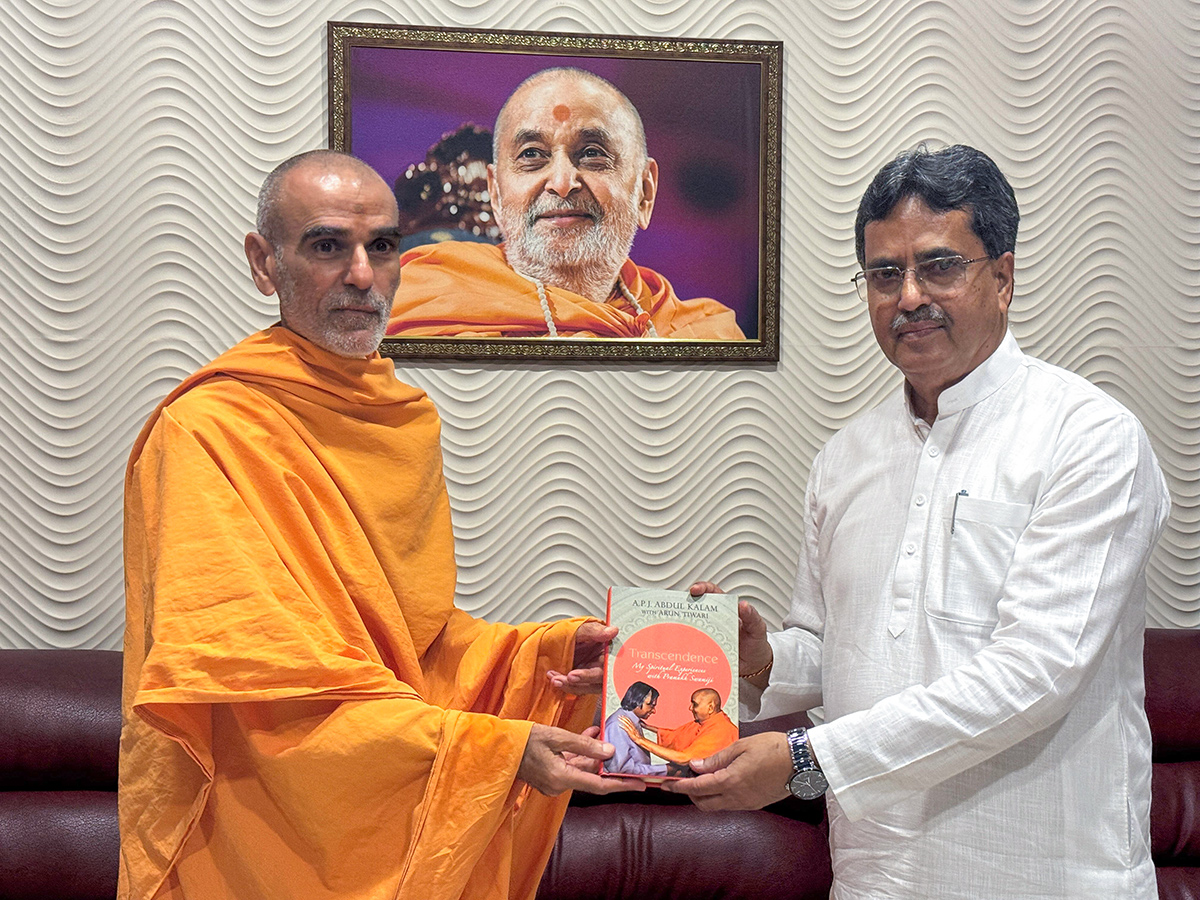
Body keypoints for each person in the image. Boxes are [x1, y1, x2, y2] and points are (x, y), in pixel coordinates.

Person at [119, 149, 640, 900]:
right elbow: (276, 684)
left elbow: (418, 645)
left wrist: (551, 651)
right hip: (249, 826)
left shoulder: (403, 420)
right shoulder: (207, 430)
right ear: (264, 264)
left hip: (375, 796)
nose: (362, 276)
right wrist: (494, 748)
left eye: (383, 247)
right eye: (328, 246)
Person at [669, 144, 1171, 899]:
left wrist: (810, 761)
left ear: (1001, 276)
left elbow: (1035, 676)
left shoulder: (1089, 439)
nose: (908, 297)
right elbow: (835, 649)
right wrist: (763, 660)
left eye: (939, 266)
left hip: (1049, 873)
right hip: (878, 875)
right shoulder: (845, 458)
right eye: (884, 273)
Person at [386, 67, 745, 339]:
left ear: (645, 192)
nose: (561, 183)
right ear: (495, 193)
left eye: (591, 154)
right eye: (532, 154)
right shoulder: (417, 306)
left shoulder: (703, 331)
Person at [617, 687, 738, 769]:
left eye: (694, 704)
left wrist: (640, 740)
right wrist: (648, 727)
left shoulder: (721, 730)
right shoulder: (706, 721)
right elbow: (676, 736)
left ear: (710, 708)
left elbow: (685, 758)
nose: (690, 708)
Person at [602, 681, 669, 776]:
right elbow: (620, 770)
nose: (654, 711)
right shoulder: (619, 725)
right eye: (650, 705)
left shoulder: (631, 720)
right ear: (637, 701)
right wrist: (665, 769)